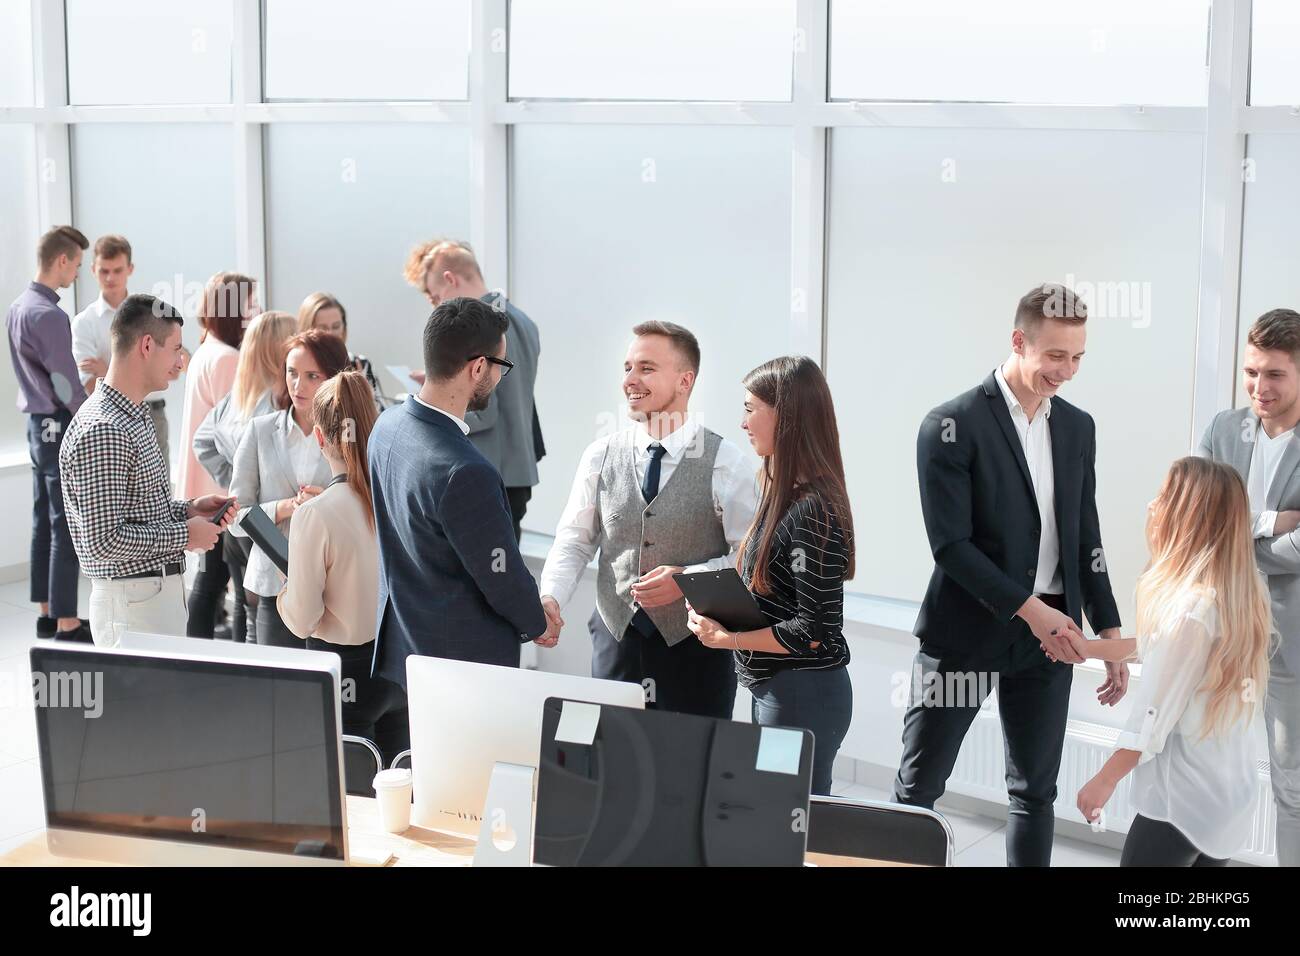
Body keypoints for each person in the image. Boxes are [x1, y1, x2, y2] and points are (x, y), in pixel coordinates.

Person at [892, 283, 1125, 867]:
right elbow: (952, 548)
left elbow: (1085, 538)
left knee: (1033, 794)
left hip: (1051, 640)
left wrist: (1111, 630)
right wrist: (1034, 610)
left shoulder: (1078, 428)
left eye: (1077, 358)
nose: (1066, 371)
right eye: (1055, 356)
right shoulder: (950, 424)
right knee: (920, 788)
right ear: (1019, 341)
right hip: (965, 634)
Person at [539, 321, 758, 718]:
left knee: (691, 770)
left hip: (696, 651)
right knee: (612, 764)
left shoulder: (727, 463)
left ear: (685, 380)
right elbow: (574, 540)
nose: (631, 380)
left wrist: (689, 578)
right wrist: (551, 596)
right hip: (615, 641)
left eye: (646, 368)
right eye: (627, 368)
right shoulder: (600, 455)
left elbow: (751, 562)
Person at [1075, 457, 1271, 866]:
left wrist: (1102, 781)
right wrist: (1090, 648)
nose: (1151, 505)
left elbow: (1152, 716)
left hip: (1181, 801)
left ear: (1189, 518)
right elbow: (1161, 648)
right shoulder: (1238, 598)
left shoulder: (1190, 611)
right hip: (1226, 798)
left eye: (1164, 497)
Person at [685, 356, 854, 793]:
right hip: (779, 688)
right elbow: (773, 596)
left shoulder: (811, 511)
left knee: (788, 823)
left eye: (750, 408)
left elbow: (813, 631)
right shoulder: (780, 494)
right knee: (777, 819)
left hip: (801, 694)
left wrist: (728, 640)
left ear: (787, 415)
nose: (743, 423)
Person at [370, 297, 554, 692]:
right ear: (477, 368)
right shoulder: (466, 471)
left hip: (406, 651)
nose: (501, 378)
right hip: (462, 670)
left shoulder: (385, 428)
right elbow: (499, 576)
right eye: (501, 367)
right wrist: (537, 620)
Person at [58, 293, 233, 646]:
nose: (182, 362)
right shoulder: (105, 428)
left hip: (148, 600)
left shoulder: (134, 415)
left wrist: (189, 509)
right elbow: (104, 540)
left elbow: (136, 511)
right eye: (176, 349)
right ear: (147, 345)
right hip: (133, 608)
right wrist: (185, 535)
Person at [1196, 307, 1300, 867]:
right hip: (1221, 635)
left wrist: (1233, 529)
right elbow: (1193, 519)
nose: (1259, 387)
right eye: (1251, 371)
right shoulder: (1223, 429)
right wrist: (1268, 521)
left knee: (1293, 788)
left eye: (1275, 374)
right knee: (1210, 772)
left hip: (1290, 643)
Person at [278, 371, 408, 765]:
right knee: (400, 795)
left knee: (351, 806)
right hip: (397, 665)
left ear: (319, 438)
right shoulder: (398, 493)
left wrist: (287, 588)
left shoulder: (316, 516)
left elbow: (302, 619)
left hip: (343, 672)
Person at [404, 239, 545, 542]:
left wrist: (436, 397)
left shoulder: (486, 328)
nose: (437, 305)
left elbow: (485, 409)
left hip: (487, 472)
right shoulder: (523, 321)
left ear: (450, 280)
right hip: (513, 470)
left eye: (434, 296)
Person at [229, 329, 348, 648]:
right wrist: (282, 508)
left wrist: (328, 503)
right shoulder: (260, 430)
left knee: (329, 689)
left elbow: (369, 511)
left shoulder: (351, 435)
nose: (299, 385)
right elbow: (235, 517)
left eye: (312, 375)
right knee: (275, 691)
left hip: (333, 588)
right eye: (292, 373)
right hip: (273, 585)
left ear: (334, 379)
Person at [6, 225, 91, 642]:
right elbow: (64, 384)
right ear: (61, 260)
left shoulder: (18, 307)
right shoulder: (50, 315)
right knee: (65, 523)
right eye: (75, 265)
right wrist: (88, 413)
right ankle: (68, 623)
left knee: (43, 520)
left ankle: (45, 612)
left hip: (36, 426)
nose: (76, 273)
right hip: (58, 425)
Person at [192, 310, 297, 642]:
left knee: (244, 607)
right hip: (265, 524)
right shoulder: (276, 406)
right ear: (279, 350)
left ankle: (241, 677)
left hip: (240, 521)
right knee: (263, 610)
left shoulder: (235, 399)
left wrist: (233, 483)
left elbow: (202, 441)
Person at [177, 272, 257, 639]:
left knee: (212, 575)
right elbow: (233, 432)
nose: (255, 311)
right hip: (219, 485)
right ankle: (201, 655)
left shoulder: (207, 350)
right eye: (249, 303)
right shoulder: (226, 359)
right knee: (217, 579)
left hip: (204, 480)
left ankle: (198, 654)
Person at [71, 235, 171, 471]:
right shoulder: (83, 323)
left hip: (153, 416)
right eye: (104, 270)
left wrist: (106, 372)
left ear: (130, 269)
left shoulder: (153, 314)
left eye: (117, 270)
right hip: (107, 422)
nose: (110, 277)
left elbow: (171, 370)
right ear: (93, 269)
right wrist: (142, 371)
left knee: (161, 497)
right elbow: (89, 386)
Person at [296, 292, 385, 410]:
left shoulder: (360, 364)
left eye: (336, 326)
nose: (331, 334)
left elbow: (381, 416)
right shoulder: (295, 365)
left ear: (344, 327)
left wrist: (364, 395)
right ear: (307, 329)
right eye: (322, 328)